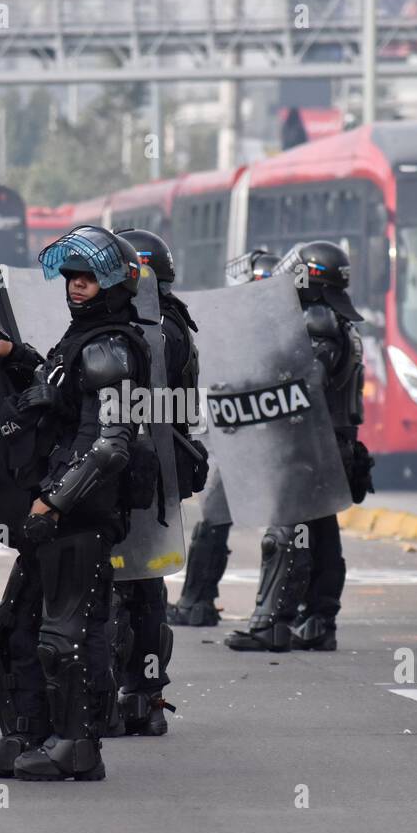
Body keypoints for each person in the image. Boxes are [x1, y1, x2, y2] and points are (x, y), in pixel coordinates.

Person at [0, 226, 152, 781]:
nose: (76, 287)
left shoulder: (111, 348)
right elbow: (58, 392)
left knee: (65, 640)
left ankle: (77, 746)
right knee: (5, 633)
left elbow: (109, 446)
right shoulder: (81, 341)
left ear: (113, 284)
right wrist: (14, 355)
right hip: (49, 511)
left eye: (87, 279)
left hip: (80, 514)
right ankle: (23, 735)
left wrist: (53, 503)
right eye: (71, 278)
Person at [225, 241, 371, 653]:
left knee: (286, 534)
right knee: (320, 535)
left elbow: (306, 384)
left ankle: (271, 623)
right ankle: (319, 621)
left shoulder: (317, 320)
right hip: (333, 445)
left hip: (309, 446)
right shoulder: (340, 321)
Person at [101, 228, 206, 736]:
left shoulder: (150, 326)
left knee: (126, 584)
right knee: (143, 584)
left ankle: (130, 695)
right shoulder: (172, 320)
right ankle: (143, 696)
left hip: (136, 468)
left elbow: (134, 401)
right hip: (156, 467)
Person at [169, 248, 281, 628]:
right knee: (215, 519)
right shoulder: (244, 328)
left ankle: (274, 613)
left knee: (281, 530)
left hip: (265, 442)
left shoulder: (284, 330)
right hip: (246, 441)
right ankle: (198, 600)